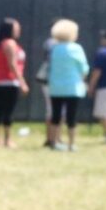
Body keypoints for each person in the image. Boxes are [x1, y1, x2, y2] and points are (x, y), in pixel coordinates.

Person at [45, 19, 88, 152]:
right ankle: (71, 144)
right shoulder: (76, 48)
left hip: (55, 88)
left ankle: (53, 142)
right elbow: (84, 69)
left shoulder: (55, 49)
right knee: (71, 117)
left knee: (55, 116)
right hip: (72, 88)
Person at [0, 18, 28, 148]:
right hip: (10, 80)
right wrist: (22, 82)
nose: (19, 30)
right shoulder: (10, 43)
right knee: (8, 111)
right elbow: (13, 64)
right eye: (16, 28)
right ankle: (7, 139)